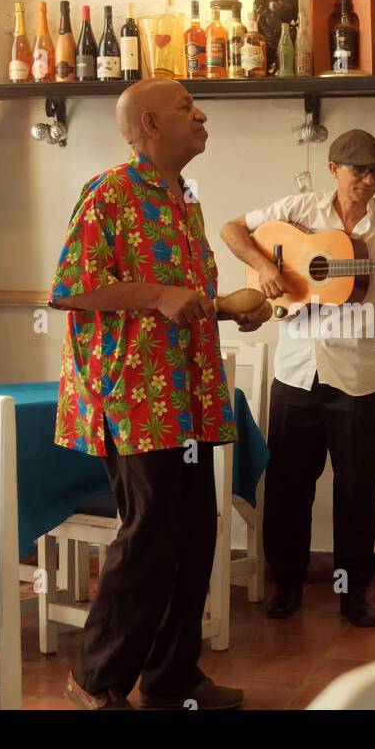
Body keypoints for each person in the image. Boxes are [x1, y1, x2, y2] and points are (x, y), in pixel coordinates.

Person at [52, 79, 257, 711]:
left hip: (185, 395)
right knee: (149, 536)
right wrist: (157, 294)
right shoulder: (109, 192)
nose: (201, 116)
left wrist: (226, 308)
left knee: (196, 530)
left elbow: (180, 302)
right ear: (149, 124)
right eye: (186, 108)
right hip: (133, 396)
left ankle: (171, 678)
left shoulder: (185, 200)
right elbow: (70, 288)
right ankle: (95, 681)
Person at [220, 129, 375, 627]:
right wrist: (263, 267)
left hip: (358, 376)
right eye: (357, 169)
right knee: (290, 487)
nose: (367, 179)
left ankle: (353, 592)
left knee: (358, 490)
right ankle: (288, 584)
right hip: (297, 371)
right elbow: (231, 229)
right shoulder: (298, 211)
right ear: (333, 168)